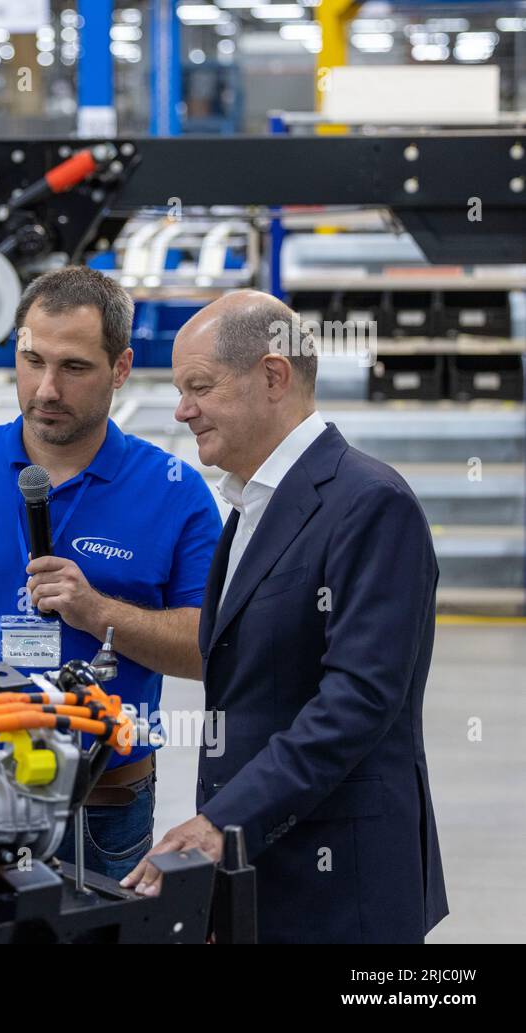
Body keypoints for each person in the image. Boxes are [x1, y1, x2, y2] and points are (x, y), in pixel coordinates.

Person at [0, 265, 220, 880]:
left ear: (121, 368)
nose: (47, 389)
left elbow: (205, 649)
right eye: (32, 361)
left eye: (75, 368)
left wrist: (99, 612)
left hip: (103, 809)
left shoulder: (175, 491)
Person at [123, 290, 448, 943]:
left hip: (341, 887)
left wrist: (223, 823)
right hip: (264, 869)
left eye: (200, 387)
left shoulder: (369, 503)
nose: (182, 409)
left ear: (273, 376)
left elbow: (356, 701)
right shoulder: (250, 507)